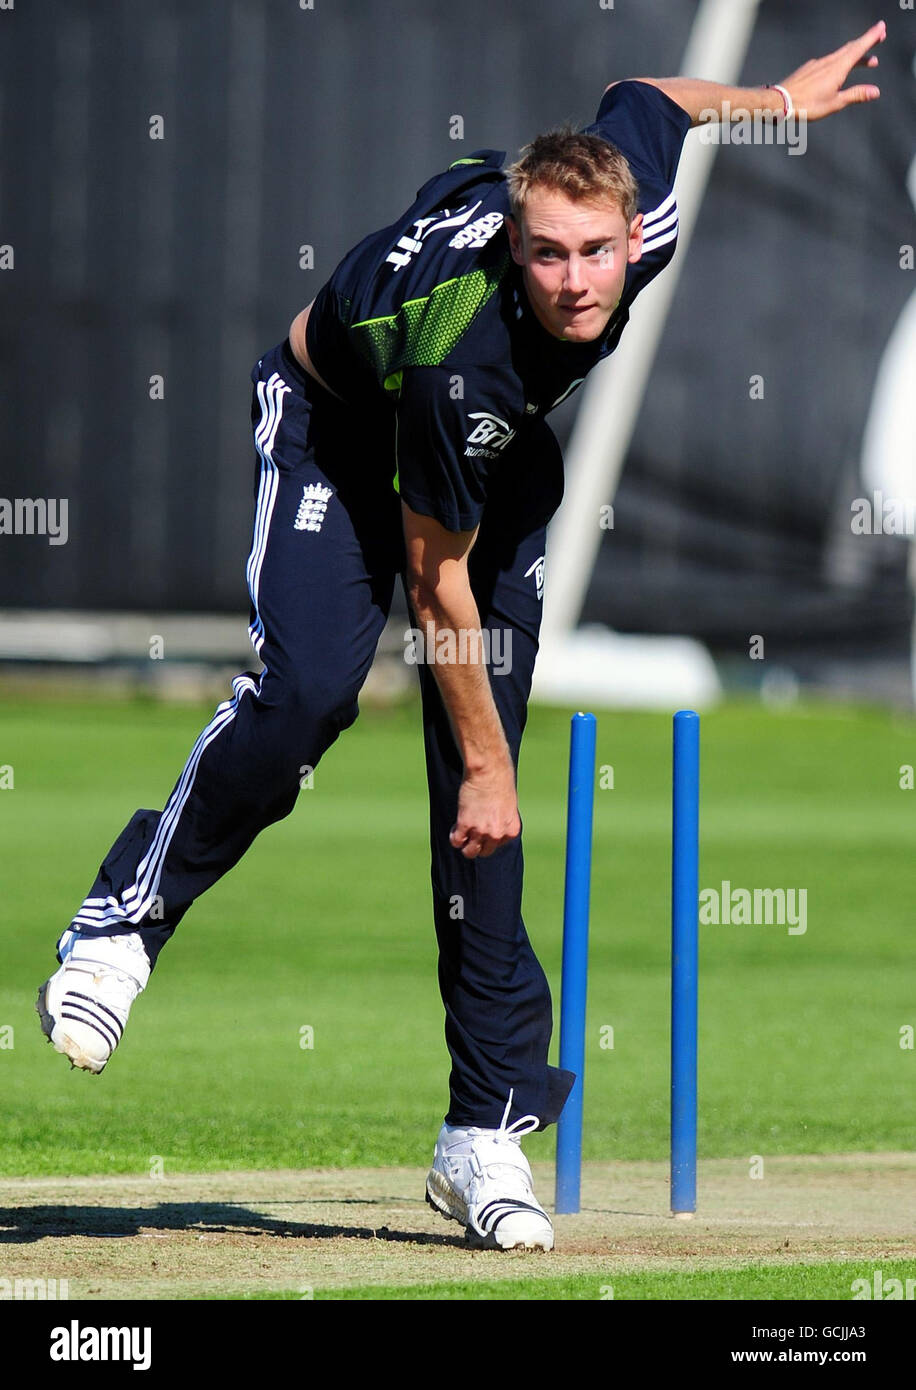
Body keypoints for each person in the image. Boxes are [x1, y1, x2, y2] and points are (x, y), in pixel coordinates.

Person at [36, 22, 886, 1252]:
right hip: (339, 429)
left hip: (488, 464)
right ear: (513, 243)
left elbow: (647, 93)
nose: (581, 279)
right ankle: (121, 921)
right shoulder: (464, 354)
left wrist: (772, 103)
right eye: (548, 256)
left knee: (481, 815)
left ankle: (481, 1130)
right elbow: (434, 590)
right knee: (315, 694)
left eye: (597, 250)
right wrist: (485, 760)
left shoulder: (623, 199)